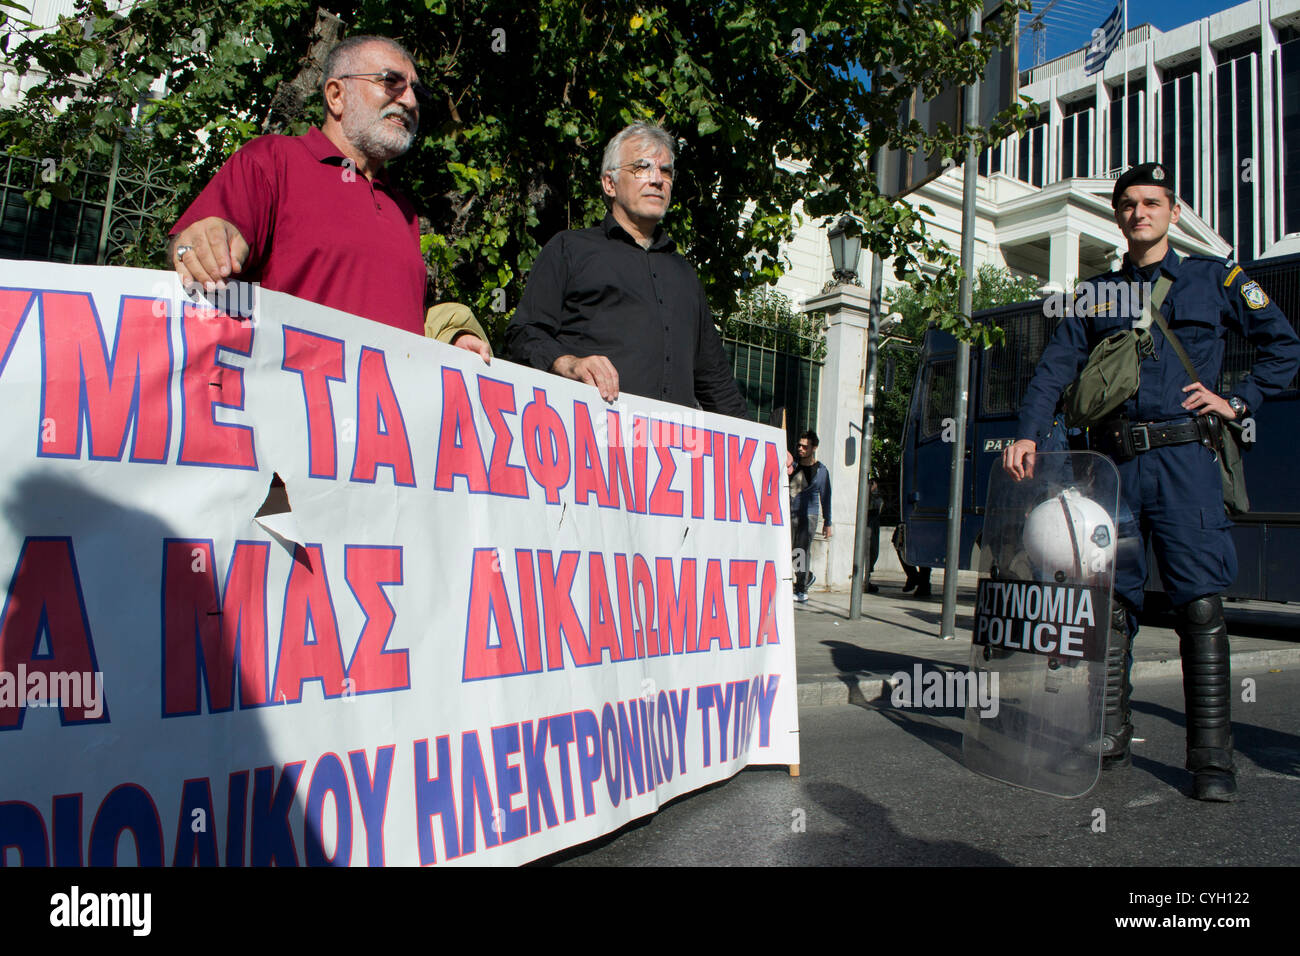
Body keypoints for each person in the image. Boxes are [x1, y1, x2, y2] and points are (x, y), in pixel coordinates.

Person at [1002, 162, 1300, 802]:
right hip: (1113, 469)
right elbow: (1055, 369)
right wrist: (1028, 431)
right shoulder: (1094, 294)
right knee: (1112, 605)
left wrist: (1238, 400)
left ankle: (1211, 760)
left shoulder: (1213, 276)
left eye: (1153, 203)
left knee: (1200, 605)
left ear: (1172, 210)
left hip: (1186, 463)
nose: (1141, 212)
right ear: (1118, 215)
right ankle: (1107, 736)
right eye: (1130, 204)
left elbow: (1285, 347)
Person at [168, 34, 490, 359]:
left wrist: (449, 343)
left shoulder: (404, 212)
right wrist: (196, 244)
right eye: (391, 82)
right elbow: (192, 250)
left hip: (385, 408)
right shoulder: (272, 161)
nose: (409, 101)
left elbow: (393, 328)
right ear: (337, 96)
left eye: (416, 91)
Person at [503, 122, 747, 416]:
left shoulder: (684, 274)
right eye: (642, 167)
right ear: (610, 183)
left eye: (666, 171)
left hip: (667, 454)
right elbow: (523, 334)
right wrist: (568, 363)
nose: (657, 180)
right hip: (588, 443)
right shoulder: (569, 249)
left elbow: (716, 382)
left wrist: (764, 449)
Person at [791, 430, 831, 603]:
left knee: (800, 551)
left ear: (814, 448)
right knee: (793, 552)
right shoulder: (793, 466)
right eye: (799, 445)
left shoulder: (821, 471)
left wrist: (828, 522)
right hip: (791, 513)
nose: (800, 449)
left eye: (805, 446)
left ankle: (801, 588)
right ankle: (806, 577)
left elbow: (826, 496)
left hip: (809, 515)